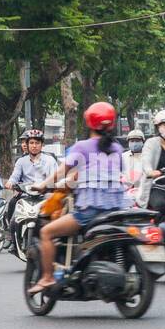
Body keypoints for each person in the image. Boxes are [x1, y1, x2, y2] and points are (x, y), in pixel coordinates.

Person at [30, 101, 126, 293]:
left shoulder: (82, 146)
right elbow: (111, 173)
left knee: (46, 232)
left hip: (90, 210)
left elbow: (61, 172)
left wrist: (42, 185)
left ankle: (47, 277)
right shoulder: (117, 148)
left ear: (89, 123)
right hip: (118, 208)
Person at [121, 127, 147, 203]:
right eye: (132, 141)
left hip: (143, 191)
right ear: (128, 142)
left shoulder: (148, 157)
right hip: (125, 191)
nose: (134, 143)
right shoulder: (123, 156)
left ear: (143, 142)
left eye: (137, 141)